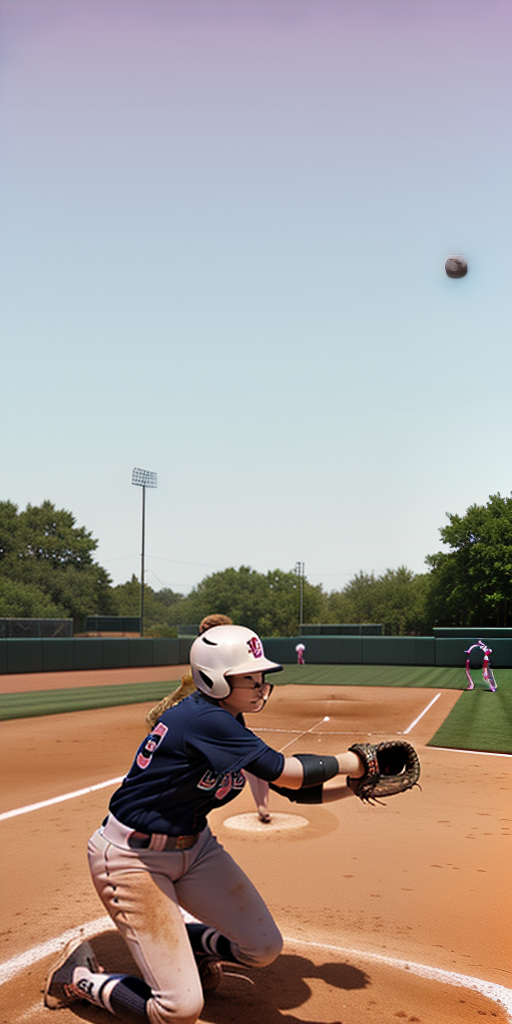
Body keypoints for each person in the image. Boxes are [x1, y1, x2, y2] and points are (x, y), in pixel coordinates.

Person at [44, 624, 369, 1024]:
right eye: (247, 677)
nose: (259, 684)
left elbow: (289, 790)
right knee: (179, 1010)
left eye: (260, 676)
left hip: (196, 850)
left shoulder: (228, 721)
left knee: (262, 948)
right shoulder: (204, 720)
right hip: (133, 860)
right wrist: (360, 761)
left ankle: (191, 950)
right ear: (214, 679)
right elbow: (284, 772)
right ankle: (77, 978)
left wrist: (356, 789)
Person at [145, 614, 272, 824]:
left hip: (219, 721)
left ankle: (262, 805)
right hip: (199, 729)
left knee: (252, 759)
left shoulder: (222, 661)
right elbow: (179, 700)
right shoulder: (202, 669)